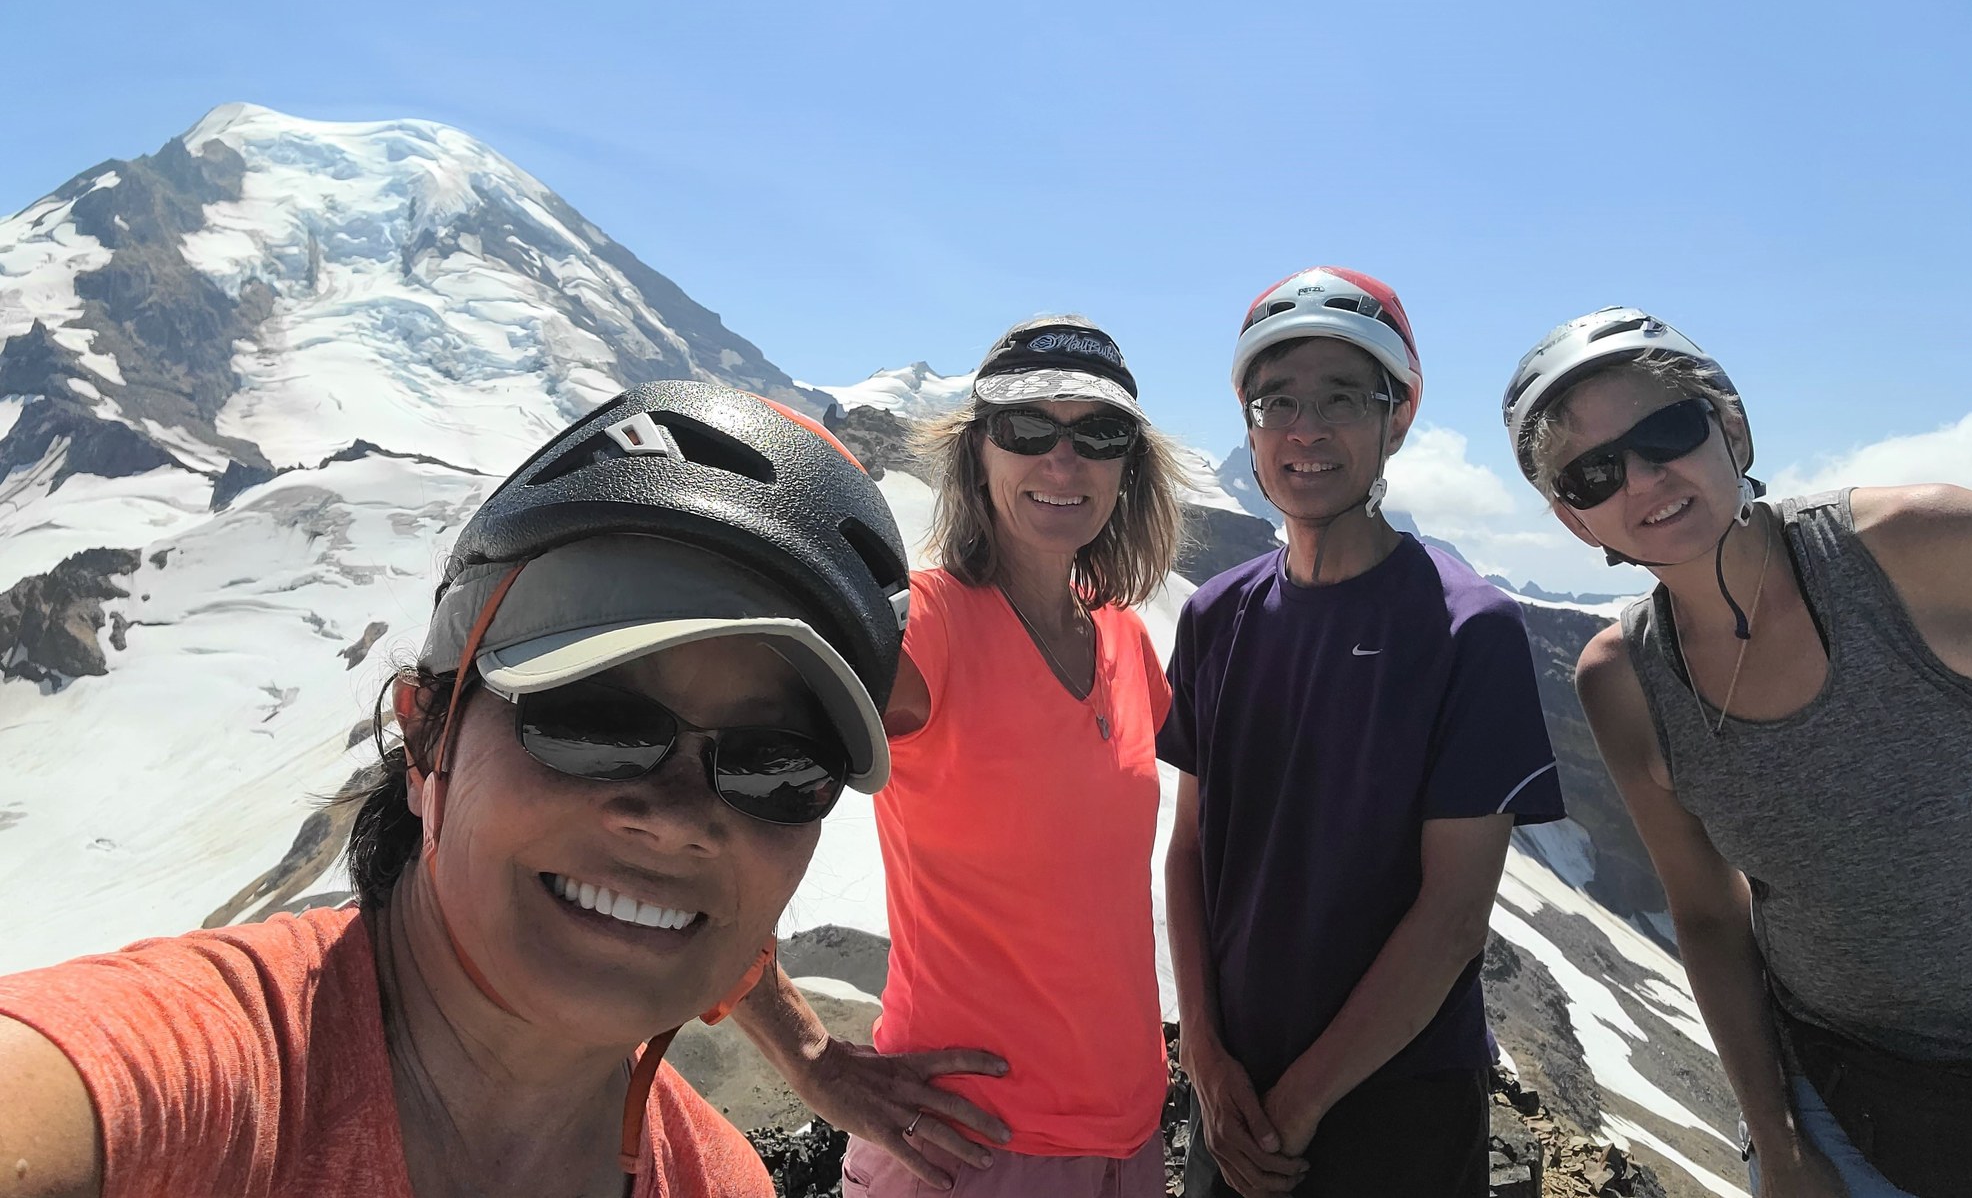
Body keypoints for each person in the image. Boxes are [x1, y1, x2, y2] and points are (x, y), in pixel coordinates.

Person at [0, 380, 914, 1198]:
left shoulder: (719, 1179)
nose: (677, 820)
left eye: (777, 767)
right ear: (427, 731)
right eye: (592, 721)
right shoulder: (177, 1089)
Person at [1503, 307, 1972, 1198]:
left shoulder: (1918, 547)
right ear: (1575, 522)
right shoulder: (1623, 681)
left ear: (1730, 425)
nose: (1645, 478)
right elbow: (1705, 913)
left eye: (1666, 431)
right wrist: (1777, 1142)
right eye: (1593, 472)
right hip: (1851, 1109)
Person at [731, 315, 1189, 1197]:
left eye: (1098, 433)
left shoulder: (1126, 641)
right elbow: (723, 796)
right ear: (979, 452)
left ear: (1128, 464)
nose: (1064, 462)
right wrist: (810, 1056)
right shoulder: (929, 628)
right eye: (1027, 429)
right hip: (967, 1153)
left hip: (1129, 1142)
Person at [1161, 267, 1566, 1198]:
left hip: (1400, 1108)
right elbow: (1189, 851)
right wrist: (1210, 1065)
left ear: (1400, 414)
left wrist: (1297, 1100)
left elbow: (1454, 915)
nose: (1305, 429)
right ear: (1250, 425)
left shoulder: (1471, 629)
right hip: (1235, 1097)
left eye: (1342, 396)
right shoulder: (1216, 616)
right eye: (1277, 401)